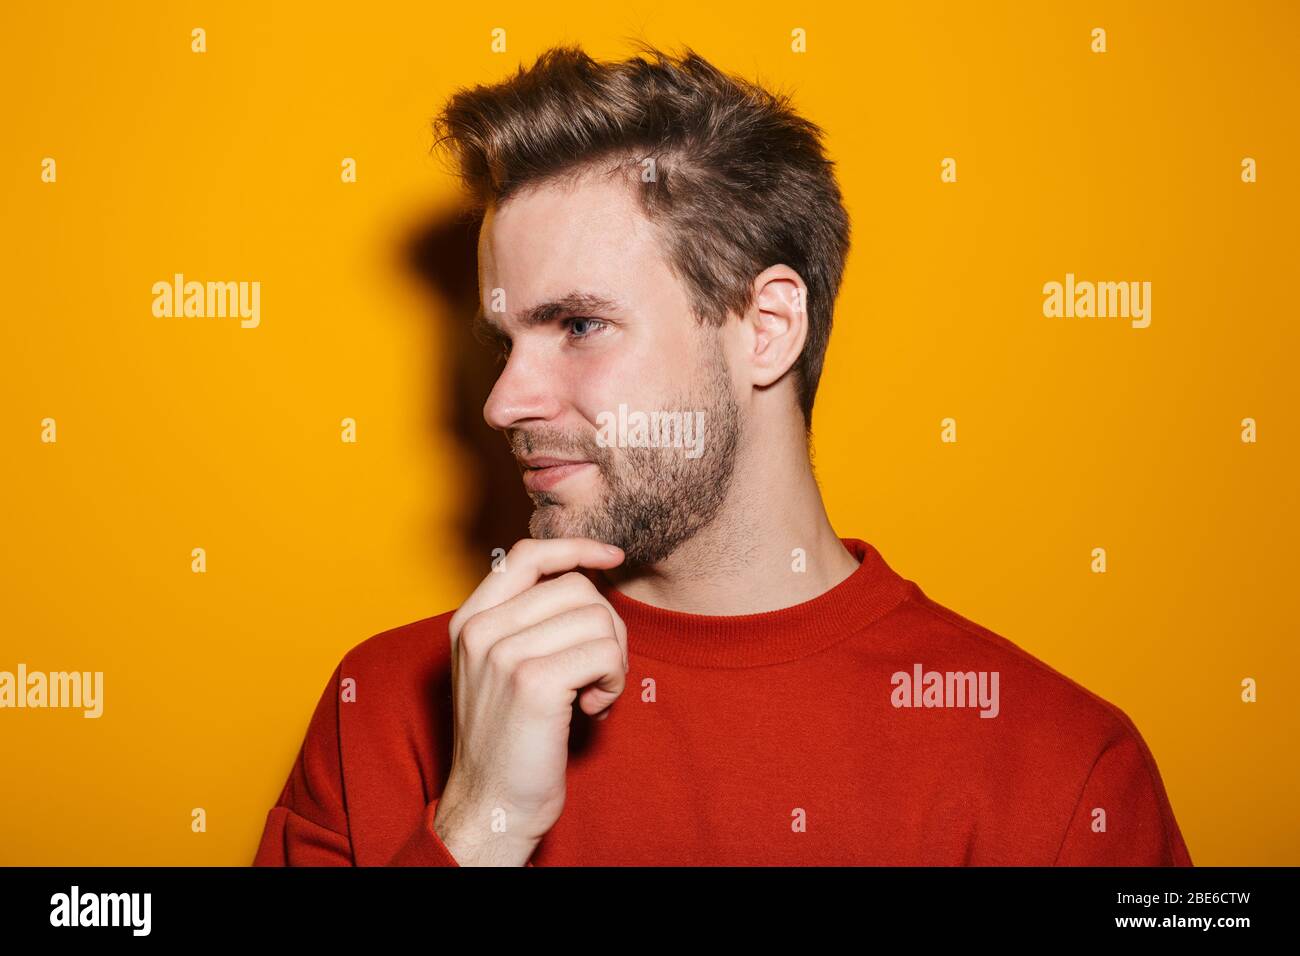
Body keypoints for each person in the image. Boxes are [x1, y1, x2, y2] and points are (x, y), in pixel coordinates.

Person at [253, 42, 1192, 866]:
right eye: (505, 343)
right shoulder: (387, 709)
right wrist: (480, 824)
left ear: (766, 327)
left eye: (577, 325)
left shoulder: (1061, 770)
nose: (503, 403)